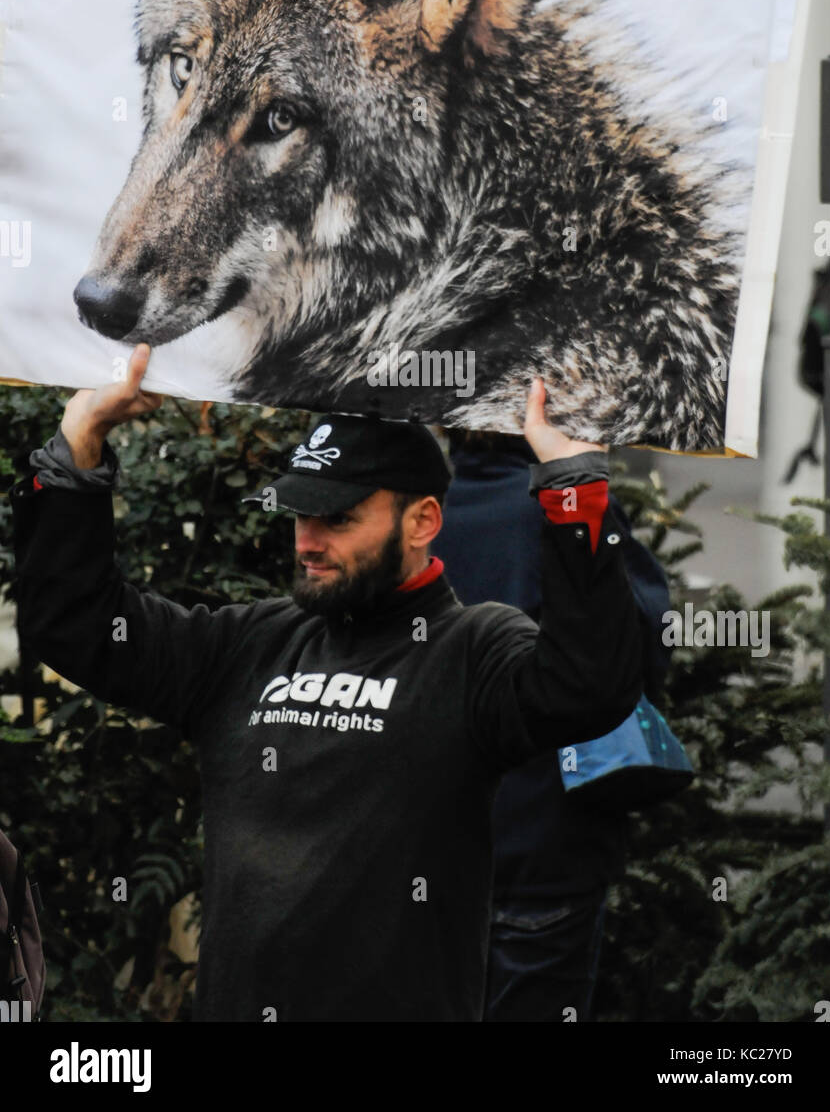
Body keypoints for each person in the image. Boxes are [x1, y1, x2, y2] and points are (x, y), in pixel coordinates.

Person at [10, 344, 643, 1023]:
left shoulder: (474, 650)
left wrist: (573, 484)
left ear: (423, 521)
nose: (308, 541)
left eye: (338, 519)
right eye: (301, 516)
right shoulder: (247, 644)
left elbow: (589, 684)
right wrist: (78, 443)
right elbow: (76, 626)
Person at [434, 431, 671, 1022]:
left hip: (428, 857)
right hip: (544, 847)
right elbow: (636, 650)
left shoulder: (411, 513)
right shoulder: (562, 504)